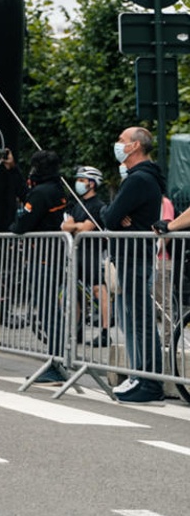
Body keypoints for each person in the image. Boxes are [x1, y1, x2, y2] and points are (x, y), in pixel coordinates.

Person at [104, 127, 166, 404]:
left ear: (135, 147)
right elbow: (115, 215)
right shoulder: (139, 178)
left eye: (122, 140)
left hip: (133, 257)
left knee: (139, 320)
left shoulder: (139, 179)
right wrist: (116, 214)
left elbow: (109, 216)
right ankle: (139, 375)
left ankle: (149, 381)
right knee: (130, 318)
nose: (118, 144)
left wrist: (116, 213)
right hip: (131, 256)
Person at [10, 149, 70, 385]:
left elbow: (22, 223)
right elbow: (28, 197)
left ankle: (57, 365)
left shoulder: (43, 192)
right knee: (50, 311)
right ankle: (57, 362)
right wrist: (13, 170)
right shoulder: (54, 188)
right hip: (51, 257)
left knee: (48, 312)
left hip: (43, 259)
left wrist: (14, 225)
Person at [61, 165, 110, 348]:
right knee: (74, 292)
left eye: (82, 180)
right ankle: (77, 331)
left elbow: (86, 228)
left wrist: (75, 226)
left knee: (99, 289)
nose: (78, 183)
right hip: (78, 252)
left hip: (93, 252)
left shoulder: (98, 205)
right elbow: (66, 227)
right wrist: (76, 226)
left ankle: (105, 331)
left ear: (91, 183)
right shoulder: (75, 204)